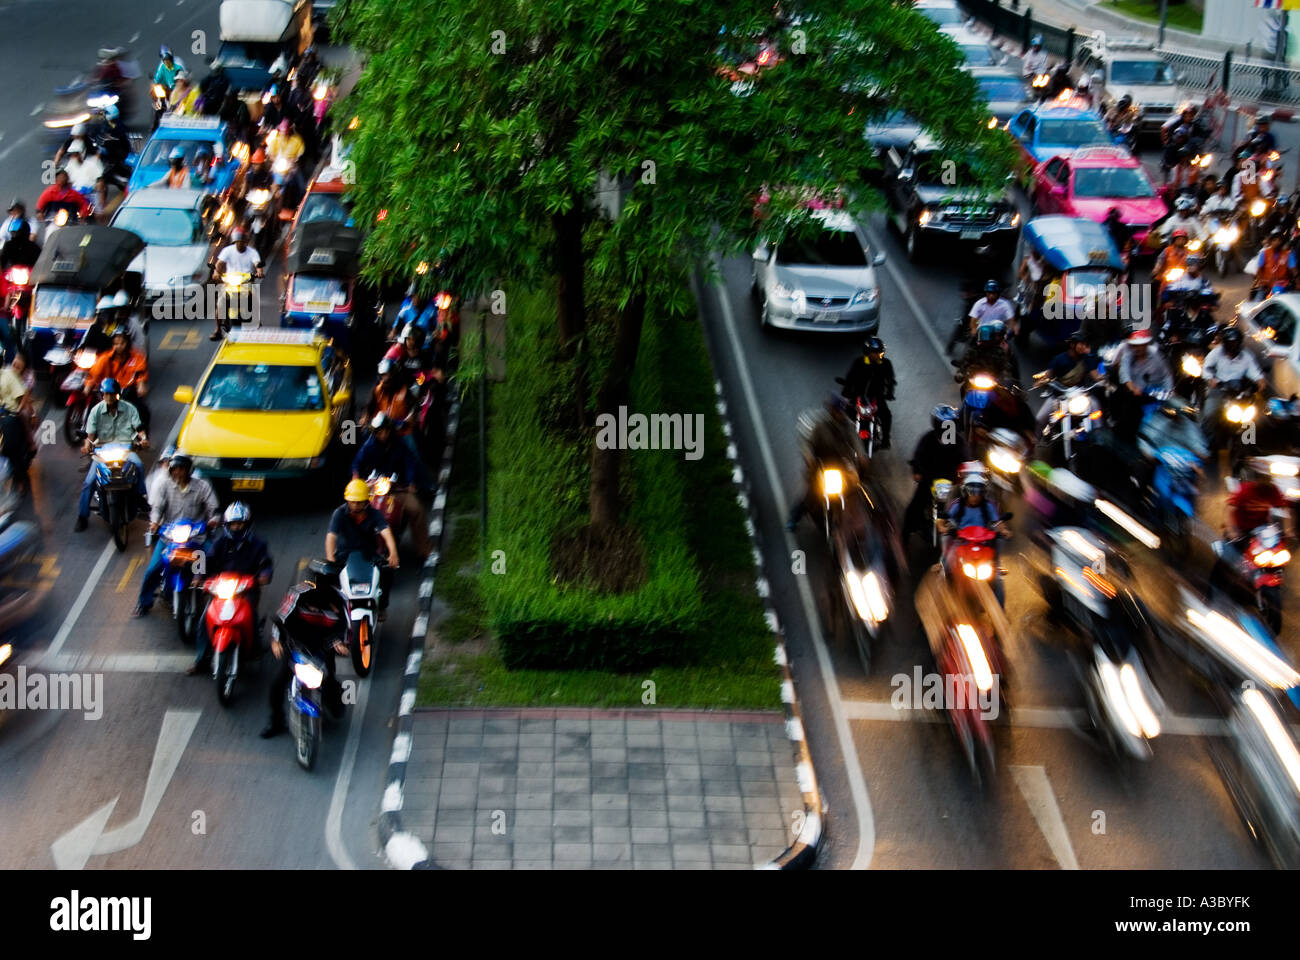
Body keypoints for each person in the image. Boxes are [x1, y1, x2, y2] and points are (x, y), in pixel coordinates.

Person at [189, 501, 274, 675]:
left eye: (240, 524)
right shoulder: (220, 543)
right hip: (222, 589)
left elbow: (266, 563)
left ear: (247, 524)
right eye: (233, 524)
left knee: (250, 615)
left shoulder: (258, 544)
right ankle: (200, 661)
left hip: (246, 590)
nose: (236, 527)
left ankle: (254, 647)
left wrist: (264, 575)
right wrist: (198, 577)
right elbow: (205, 560)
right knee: (204, 620)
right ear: (227, 525)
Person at [259, 578, 349, 738]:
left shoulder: (340, 600)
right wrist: (276, 641)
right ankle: (276, 721)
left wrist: (340, 643)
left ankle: (333, 704)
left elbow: (346, 628)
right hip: (296, 646)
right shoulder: (297, 594)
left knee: (329, 682)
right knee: (277, 684)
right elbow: (280, 619)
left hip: (324, 648)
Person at [132, 453, 220, 616]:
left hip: (196, 537)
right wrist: (155, 522)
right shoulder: (165, 486)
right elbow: (157, 508)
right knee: (153, 569)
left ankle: (218, 601)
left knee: (215, 560)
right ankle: (143, 602)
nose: (177, 473)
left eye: (181, 469)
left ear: (188, 470)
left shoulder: (201, 487)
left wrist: (213, 520)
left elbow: (212, 508)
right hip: (170, 537)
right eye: (174, 470)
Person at [351, 414, 432, 560]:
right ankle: (353, 550)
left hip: (397, 487)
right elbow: (357, 462)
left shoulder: (399, 444)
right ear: (375, 432)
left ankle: (424, 550)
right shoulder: (369, 446)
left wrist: (410, 482)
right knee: (355, 509)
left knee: (417, 510)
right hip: (375, 487)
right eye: (379, 431)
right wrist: (356, 476)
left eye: (385, 431)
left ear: (390, 430)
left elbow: (409, 462)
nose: (383, 434)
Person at [74, 378, 148, 531]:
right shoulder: (96, 411)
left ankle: (140, 495)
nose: (108, 398)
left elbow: (139, 427)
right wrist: (87, 445)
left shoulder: (129, 409)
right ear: (102, 395)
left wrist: (144, 439)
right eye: (105, 394)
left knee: (139, 465)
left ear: (117, 395)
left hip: (126, 448)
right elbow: (90, 435)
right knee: (89, 482)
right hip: (102, 451)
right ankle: (82, 516)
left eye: (111, 394)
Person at [786, 396, 864, 530]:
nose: (841, 414)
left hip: (841, 463)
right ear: (832, 411)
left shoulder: (848, 426)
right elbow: (808, 443)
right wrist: (808, 456)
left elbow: (856, 441)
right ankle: (794, 517)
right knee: (812, 493)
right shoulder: (821, 425)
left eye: (843, 411)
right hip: (820, 463)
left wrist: (862, 456)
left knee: (854, 489)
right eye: (839, 411)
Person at [936, 463, 1011, 605]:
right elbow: (942, 520)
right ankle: (942, 600)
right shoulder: (957, 505)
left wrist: (1004, 530)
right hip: (961, 543)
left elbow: (998, 522)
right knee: (946, 569)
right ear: (966, 491)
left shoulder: (989, 506)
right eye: (972, 491)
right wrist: (942, 527)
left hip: (983, 545)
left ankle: (1000, 611)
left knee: (996, 577)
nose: (975, 496)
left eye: (979, 492)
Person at [326, 478, 400, 620]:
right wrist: (330, 558)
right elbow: (331, 537)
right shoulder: (339, 513)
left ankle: (382, 606)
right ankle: (334, 606)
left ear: (366, 501)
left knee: (388, 571)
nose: (355, 505)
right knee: (327, 576)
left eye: (359, 502)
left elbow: (386, 532)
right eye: (352, 501)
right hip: (344, 554)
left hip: (369, 553)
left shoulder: (374, 514)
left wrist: (393, 553)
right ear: (347, 500)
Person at [902, 404, 970, 543]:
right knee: (913, 509)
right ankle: (904, 537)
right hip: (929, 479)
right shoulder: (928, 439)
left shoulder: (958, 442)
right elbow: (918, 456)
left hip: (950, 482)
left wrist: (966, 473)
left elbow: (966, 458)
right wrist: (917, 472)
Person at [1201, 326, 1267, 446]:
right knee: (1210, 414)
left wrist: (1260, 380)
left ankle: (1248, 445)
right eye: (1230, 342)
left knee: (1253, 418)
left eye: (1235, 342)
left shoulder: (1247, 355)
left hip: (1238, 390)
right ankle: (1206, 444)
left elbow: (1254, 371)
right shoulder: (1216, 353)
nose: (1233, 345)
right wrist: (1211, 379)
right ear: (1225, 343)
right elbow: (1206, 368)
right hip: (1219, 388)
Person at [86, 324, 150, 432]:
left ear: (128, 343)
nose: (119, 346)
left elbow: (140, 375)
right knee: (92, 411)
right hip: (108, 393)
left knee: (144, 412)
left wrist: (141, 386)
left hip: (128, 393)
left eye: (122, 343)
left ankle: (144, 439)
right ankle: (87, 435)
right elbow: (94, 374)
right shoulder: (105, 358)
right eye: (116, 343)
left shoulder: (137, 357)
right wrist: (88, 385)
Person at [1113, 329, 1173, 442]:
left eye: (1141, 345)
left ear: (1146, 345)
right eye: (1135, 346)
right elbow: (1124, 374)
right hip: (1134, 393)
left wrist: (1170, 391)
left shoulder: (1155, 355)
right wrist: (1133, 388)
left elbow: (1166, 375)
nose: (1138, 349)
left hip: (1152, 391)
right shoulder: (1128, 355)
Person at [838, 337, 896, 449]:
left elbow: (890, 380)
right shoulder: (858, 362)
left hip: (877, 397)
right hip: (857, 396)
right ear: (868, 352)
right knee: (845, 414)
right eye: (874, 352)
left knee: (886, 416)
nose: (877, 355)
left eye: (879, 352)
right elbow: (850, 378)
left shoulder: (886, 364)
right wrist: (846, 391)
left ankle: (886, 440)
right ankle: (842, 439)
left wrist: (890, 392)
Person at [211, 230, 264, 340]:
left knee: (254, 298)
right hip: (230, 281)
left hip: (246, 281)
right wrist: (216, 273)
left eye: (242, 242)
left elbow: (257, 263)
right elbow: (219, 264)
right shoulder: (227, 251)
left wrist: (259, 271)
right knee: (220, 303)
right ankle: (217, 330)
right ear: (234, 242)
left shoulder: (252, 252)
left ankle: (256, 320)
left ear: (246, 242)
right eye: (237, 242)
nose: (239, 244)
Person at [1250, 229, 1295, 300]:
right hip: (1266, 284)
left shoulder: (1288, 254)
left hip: (1282, 284)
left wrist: (1298, 282)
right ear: (1271, 242)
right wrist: (1262, 282)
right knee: (1257, 303)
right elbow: (1259, 270)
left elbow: (1294, 270)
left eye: (1279, 240)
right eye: (1274, 240)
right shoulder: (1264, 253)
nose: (1277, 242)